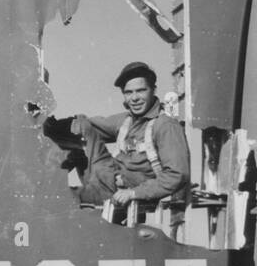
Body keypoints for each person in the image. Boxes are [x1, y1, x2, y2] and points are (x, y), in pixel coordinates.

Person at [43, 61, 191, 208]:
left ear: (153, 90)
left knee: (55, 198)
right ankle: (42, 178)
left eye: (141, 90)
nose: (134, 98)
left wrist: (134, 193)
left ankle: (46, 188)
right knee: (79, 128)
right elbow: (89, 125)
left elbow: (177, 174)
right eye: (128, 92)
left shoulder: (165, 125)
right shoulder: (126, 121)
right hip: (105, 178)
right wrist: (47, 125)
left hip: (119, 193)